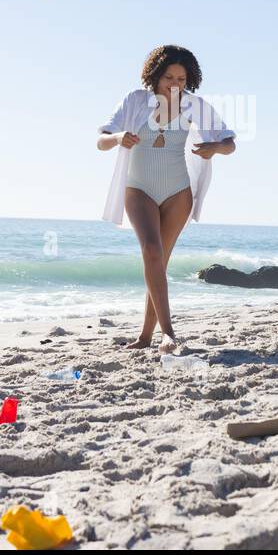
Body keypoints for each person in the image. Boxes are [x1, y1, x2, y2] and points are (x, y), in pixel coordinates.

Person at [97, 45, 236, 352]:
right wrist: (120, 137)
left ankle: (146, 336)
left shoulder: (194, 105)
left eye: (182, 78)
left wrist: (214, 148)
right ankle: (168, 333)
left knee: (158, 261)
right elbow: (101, 141)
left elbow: (229, 143)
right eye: (168, 77)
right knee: (150, 250)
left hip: (178, 192)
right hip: (138, 188)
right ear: (155, 75)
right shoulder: (136, 100)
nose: (175, 84)